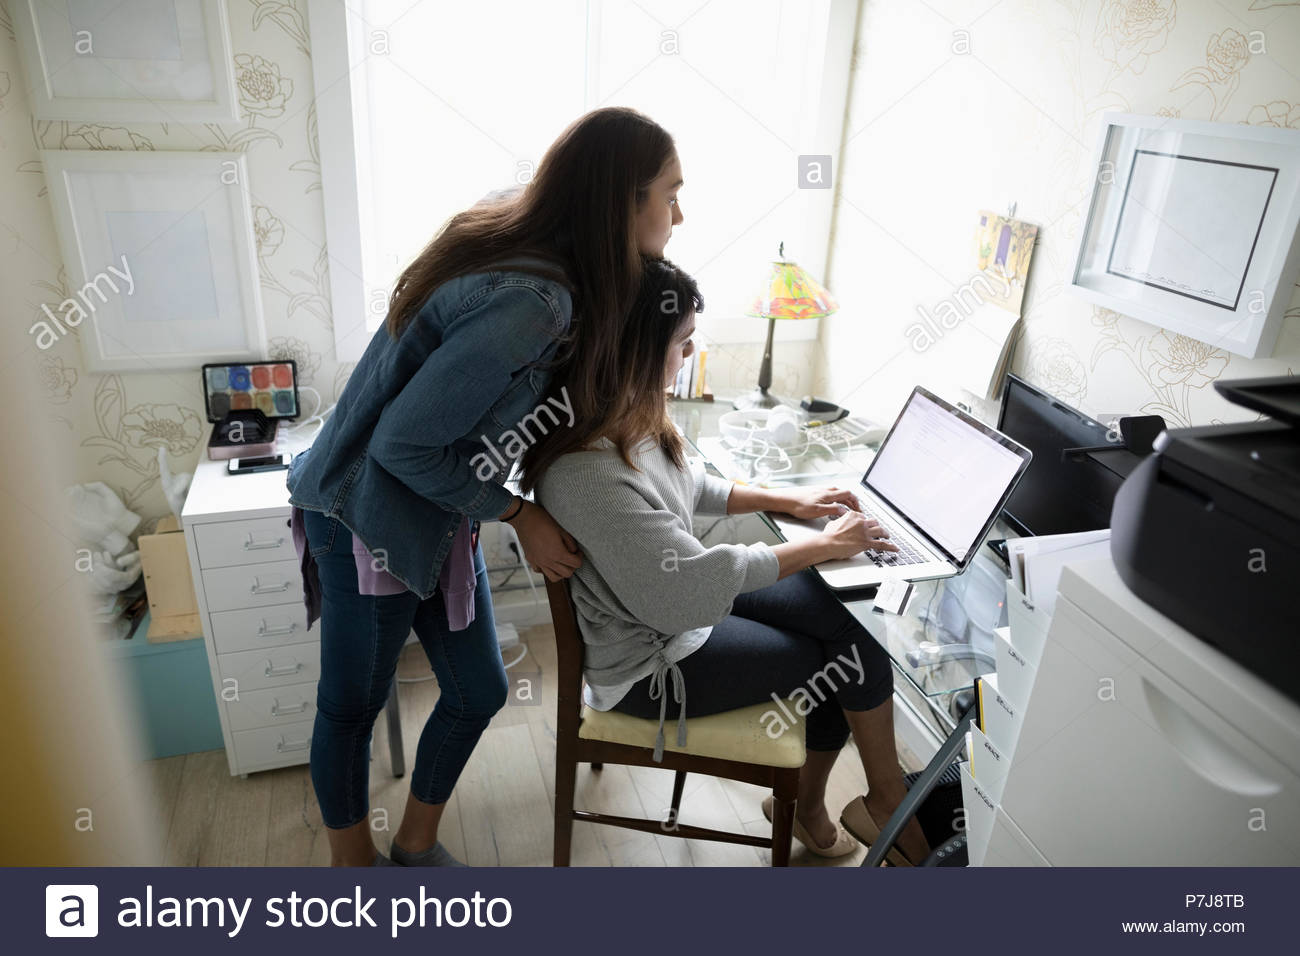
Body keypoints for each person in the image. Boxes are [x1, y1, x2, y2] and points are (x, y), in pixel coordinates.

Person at [286, 107, 687, 867]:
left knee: (477, 690)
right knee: (351, 707)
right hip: (366, 515)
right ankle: (353, 869)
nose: (679, 212)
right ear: (619, 199)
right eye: (670, 192)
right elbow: (405, 445)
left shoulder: (542, 249)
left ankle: (414, 846)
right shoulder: (533, 302)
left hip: (437, 508)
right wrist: (515, 513)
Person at [525, 257, 932, 865]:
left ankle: (877, 799)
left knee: (851, 619)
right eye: (682, 342)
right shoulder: (584, 472)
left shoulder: (627, 413)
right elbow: (687, 590)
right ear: (635, 347)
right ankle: (858, 806)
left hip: (676, 605)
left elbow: (691, 485)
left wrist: (790, 499)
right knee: (842, 656)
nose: (689, 355)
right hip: (652, 662)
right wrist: (822, 544)